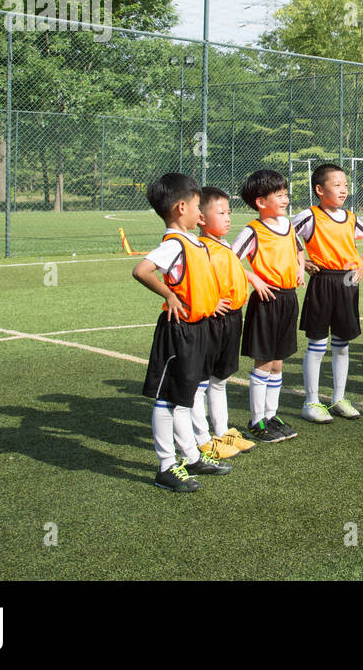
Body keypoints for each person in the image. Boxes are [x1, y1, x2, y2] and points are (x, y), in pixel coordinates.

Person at [131, 172, 234, 492]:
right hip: (179, 333)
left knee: (186, 398)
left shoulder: (193, 242)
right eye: (195, 206)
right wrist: (169, 295)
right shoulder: (174, 243)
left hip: (199, 328)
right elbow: (141, 270)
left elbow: (197, 282)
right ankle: (166, 466)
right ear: (180, 208)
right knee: (169, 400)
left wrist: (209, 302)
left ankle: (191, 457)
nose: (200, 213)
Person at [293, 163, 363, 423]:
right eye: (337, 184)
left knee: (342, 344)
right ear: (319, 189)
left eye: (345, 185)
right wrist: (302, 263)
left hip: (348, 282)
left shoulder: (351, 217)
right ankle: (311, 401)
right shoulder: (309, 215)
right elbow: (287, 237)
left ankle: (339, 398)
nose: (343, 190)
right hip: (323, 281)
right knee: (317, 344)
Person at [233, 169, 305, 444]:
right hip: (266, 300)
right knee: (263, 362)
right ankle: (256, 421)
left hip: (288, 298)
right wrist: (254, 279)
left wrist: (300, 268)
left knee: (278, 362)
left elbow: (298, 248)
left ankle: (271, 415)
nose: (286, 199)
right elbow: (230, 259)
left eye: (286, 194)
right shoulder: (253, 230)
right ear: (261, 202)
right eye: (279, 195)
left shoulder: (287, 226)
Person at [193, 186, 255, 457]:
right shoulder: (199, 248)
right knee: (201, 382)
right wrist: (209, 301)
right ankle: (202, 438)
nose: (228, 217)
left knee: (220, 377)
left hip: (232, 318)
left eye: (229, 212)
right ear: (200, 218)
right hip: (212, 320)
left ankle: (222, 431)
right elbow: (189, 282)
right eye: (220, 212)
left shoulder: (224, 244)